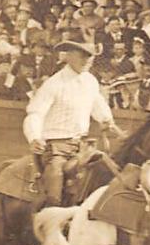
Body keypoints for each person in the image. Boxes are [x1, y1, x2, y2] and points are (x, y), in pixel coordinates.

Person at [23, 40, 123, 207]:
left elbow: (97, 103)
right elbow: (35, 113)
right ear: (68, 57)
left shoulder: (90, 81)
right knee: (55, 182)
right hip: (56, 148)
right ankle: (49, 215)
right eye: (82, 56)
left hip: (83, 146)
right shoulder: (54, 84)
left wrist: (107, 121)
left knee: (109, 169)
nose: (87, 61)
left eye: (90, 57)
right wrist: (34, 137)